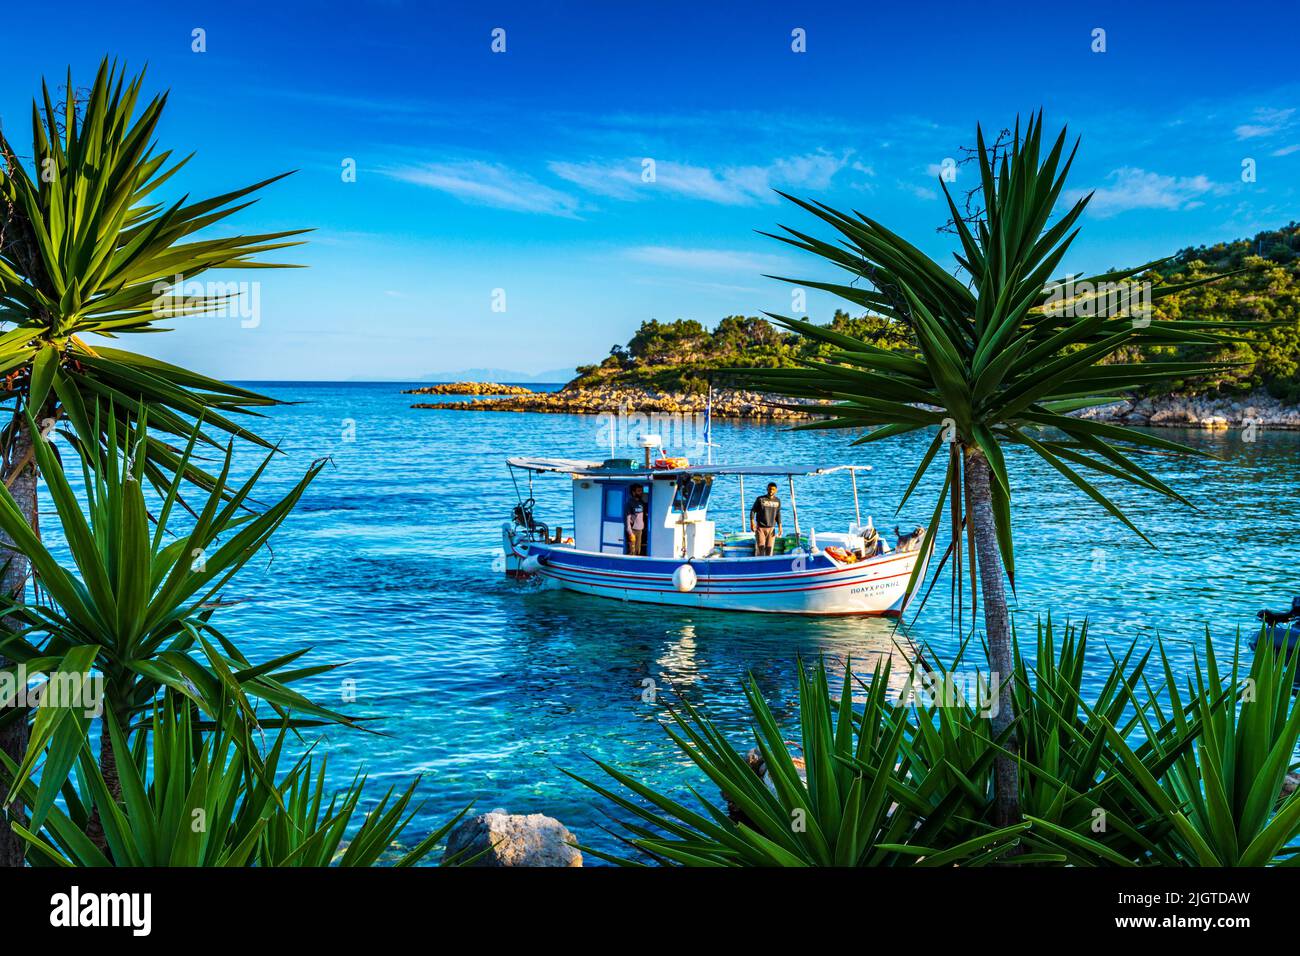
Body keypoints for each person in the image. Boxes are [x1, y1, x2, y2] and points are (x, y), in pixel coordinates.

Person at [750, 482, 783, 556]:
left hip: (771, 528)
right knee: (761, 547)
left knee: (769, 548)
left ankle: (768, 564)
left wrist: (780, 527)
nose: (771, 491)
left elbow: (778, 514)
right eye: (770, 489)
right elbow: (753, 511)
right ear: (767, 489)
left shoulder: (777, 501)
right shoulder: (760, 499)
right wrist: (752, 523)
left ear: (776, 490)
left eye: (773, 489)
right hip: (760, 528)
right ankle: (759, 564)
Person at [624, 485, 647, 555]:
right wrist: (629, 530)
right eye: (639, 491)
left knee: (638, 550)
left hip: (640, 529)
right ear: (633, 492)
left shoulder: (642, 503)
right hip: (632, 530)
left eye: (641, 491)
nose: (641, 492)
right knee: (632, 550)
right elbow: (627, 517)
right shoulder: (629, 503)